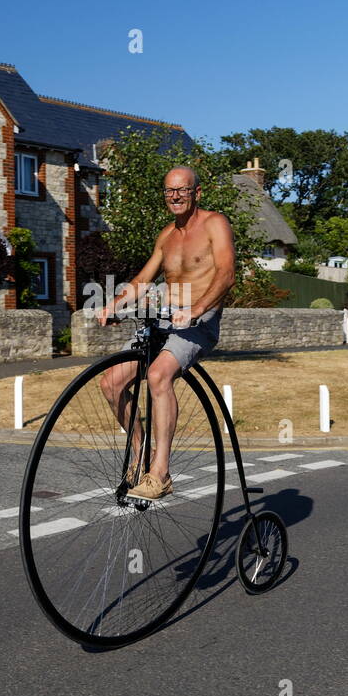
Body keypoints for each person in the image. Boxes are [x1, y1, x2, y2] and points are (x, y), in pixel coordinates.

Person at [96, 165, 236, 500]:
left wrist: (197, 309)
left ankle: (160, 473)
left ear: (196, 193)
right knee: (111, 383)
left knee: (159, 375)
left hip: (198, 324)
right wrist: (114, 304)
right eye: (169, 190)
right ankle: (140, 450)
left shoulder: (215, 223)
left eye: (182, 190)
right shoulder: (167, 235)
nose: (175, 196)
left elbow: (227, 274)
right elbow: (143, 280)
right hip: (164, 320)